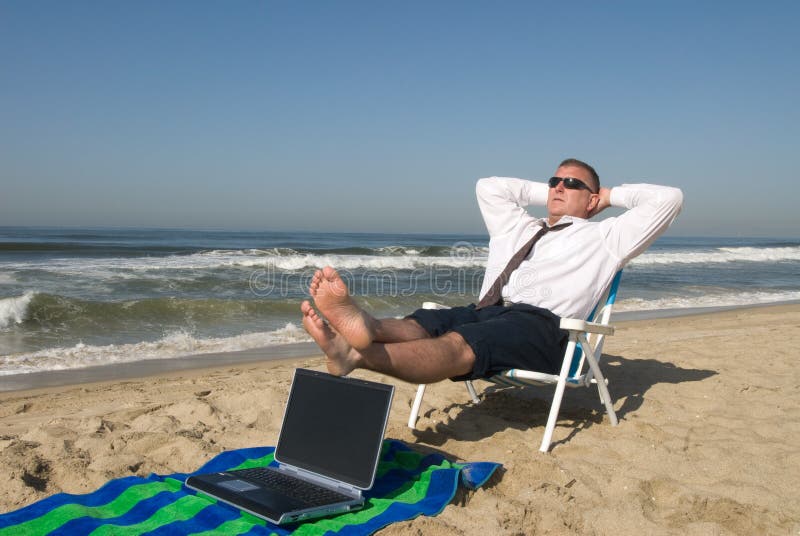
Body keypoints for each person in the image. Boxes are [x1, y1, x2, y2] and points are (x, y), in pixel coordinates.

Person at [300, 158, 683, 384]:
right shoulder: (517, 227)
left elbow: (669, 199)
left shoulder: (606, 237)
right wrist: (556, 195)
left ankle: (357, 357)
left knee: (459, 342)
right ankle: (365, 327)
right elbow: (489, 187)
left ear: (592, 199)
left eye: (571, 183)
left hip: (544, 327)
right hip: (487, 310)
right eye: (554, 181)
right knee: (427, 321)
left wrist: (607, 197)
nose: (557, 187)